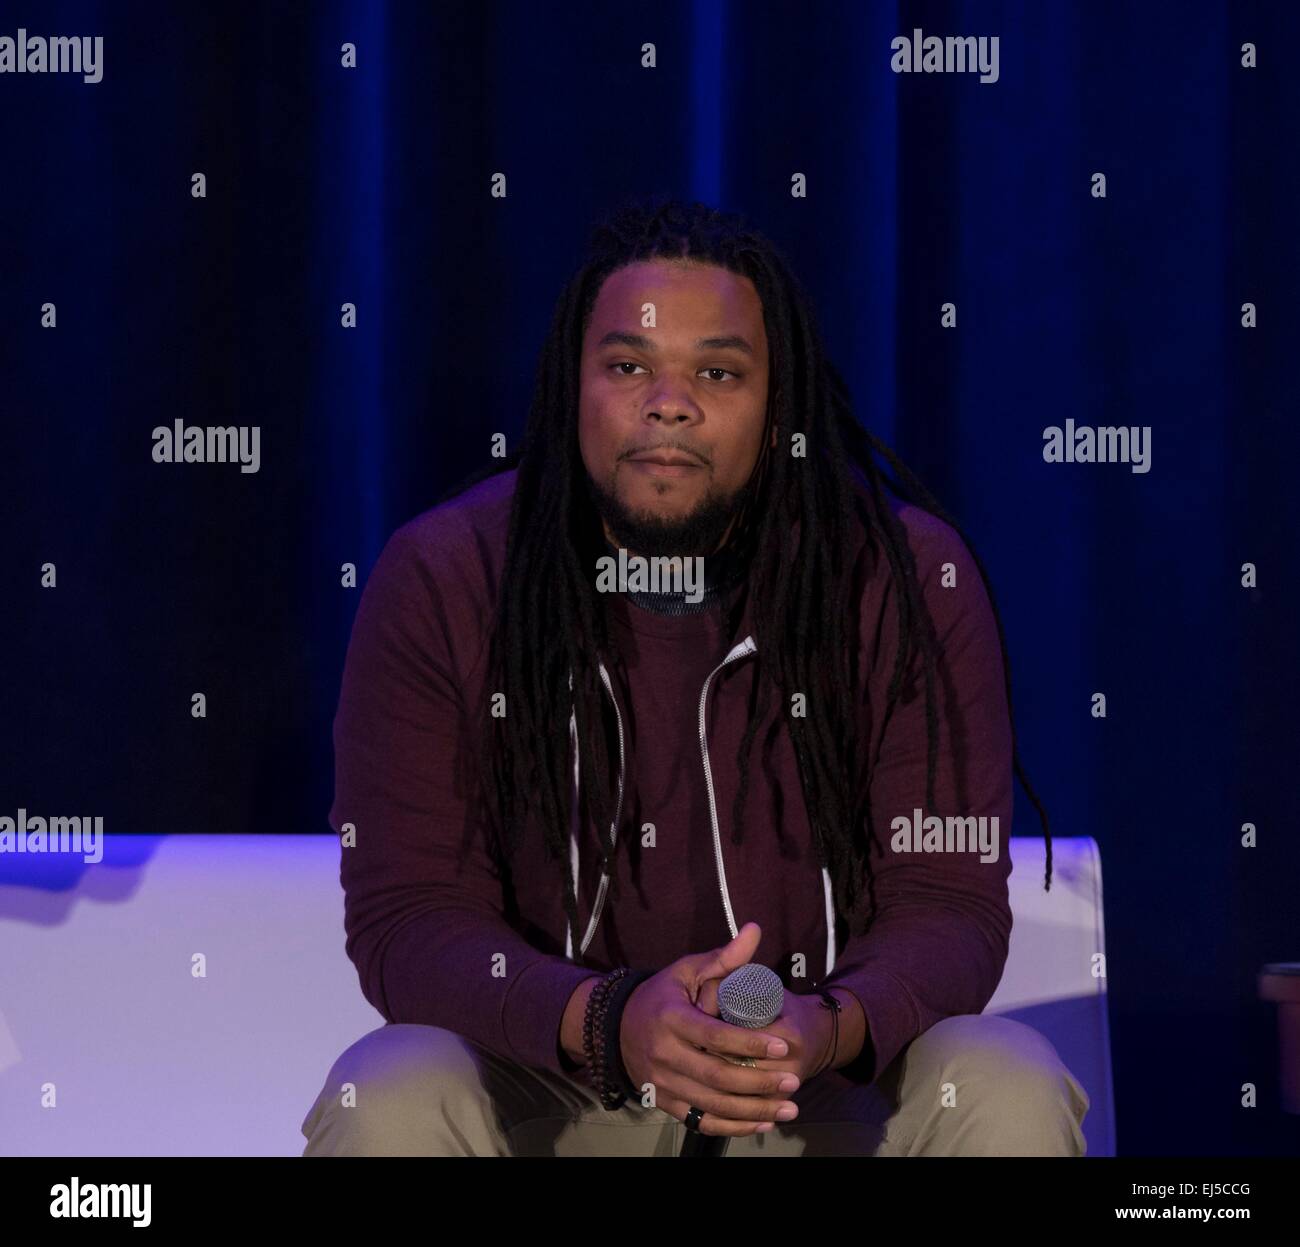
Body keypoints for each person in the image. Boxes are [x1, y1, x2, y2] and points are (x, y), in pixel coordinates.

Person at [301, 197, 1090, 1157]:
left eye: (717, 371)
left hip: (816, 1095)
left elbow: (948, 905)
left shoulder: (906, 580)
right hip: (561, 1097)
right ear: (571, 388)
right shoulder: (447, 575)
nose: (667, 402)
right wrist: (608, 1019)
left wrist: (826, 1026)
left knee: (1004, 1076)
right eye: (628, 366)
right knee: (387, 1087)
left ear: (777, 406)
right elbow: (409, 917)